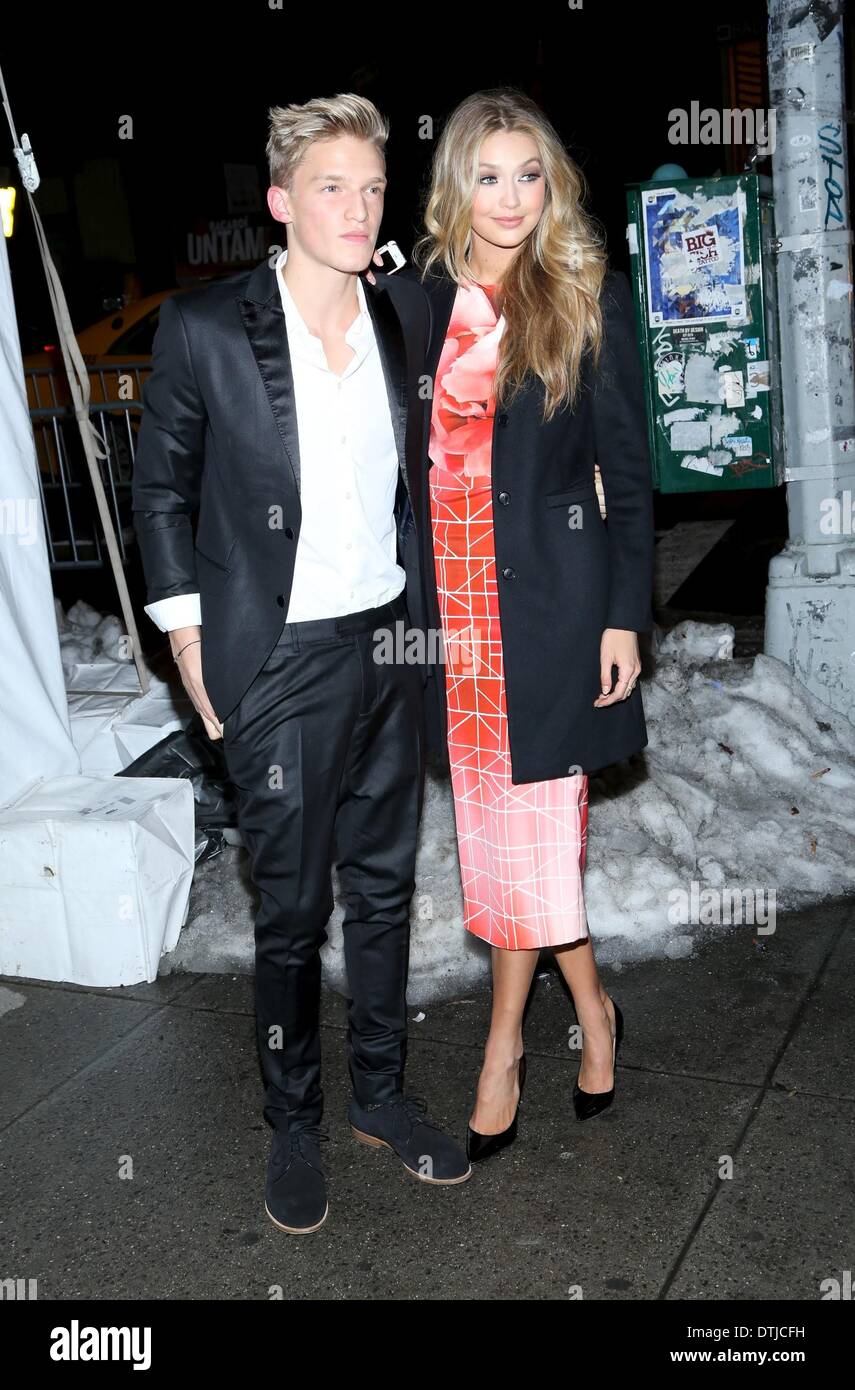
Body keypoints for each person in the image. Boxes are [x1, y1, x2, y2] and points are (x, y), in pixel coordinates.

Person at [132, 93, 471, 1236]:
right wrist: (187, 639)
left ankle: (379, 1094)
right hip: (272, 658)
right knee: (290, 909)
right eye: (332, 186)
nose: (357, 206)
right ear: (280, 202)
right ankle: (293, 1118)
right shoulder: (207, 330)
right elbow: (161, 486)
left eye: (372, 187)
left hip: (389, 641)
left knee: (384, 889)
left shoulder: (401, 314)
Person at [404, 88, 654, 1160]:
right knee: (499, 847)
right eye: (490, 175)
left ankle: (505, 1042)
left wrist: (622, 618)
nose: (511, 198)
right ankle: (593, 1013)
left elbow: (631, 479)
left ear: (552, 185)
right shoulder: (417, 306)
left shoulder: (583, 297)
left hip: (552, 618)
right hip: (451, 629)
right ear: (459, 186)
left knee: (535, 844)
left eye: (531, 174)